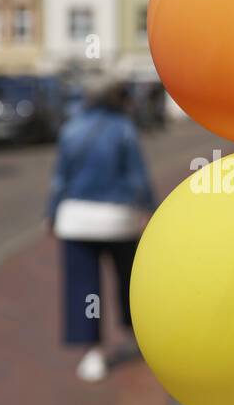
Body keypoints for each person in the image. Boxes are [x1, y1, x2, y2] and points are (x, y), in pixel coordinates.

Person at [48, 72, 156, 381]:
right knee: (129, 281)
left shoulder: (70, 129)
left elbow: (59, 179)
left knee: (84, 288)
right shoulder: (123, 129)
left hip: (77, 218)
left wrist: (51, 213)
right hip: (118, 218)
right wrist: (150, 208)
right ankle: (135, 336)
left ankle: (92, 352)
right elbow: (137, 175)